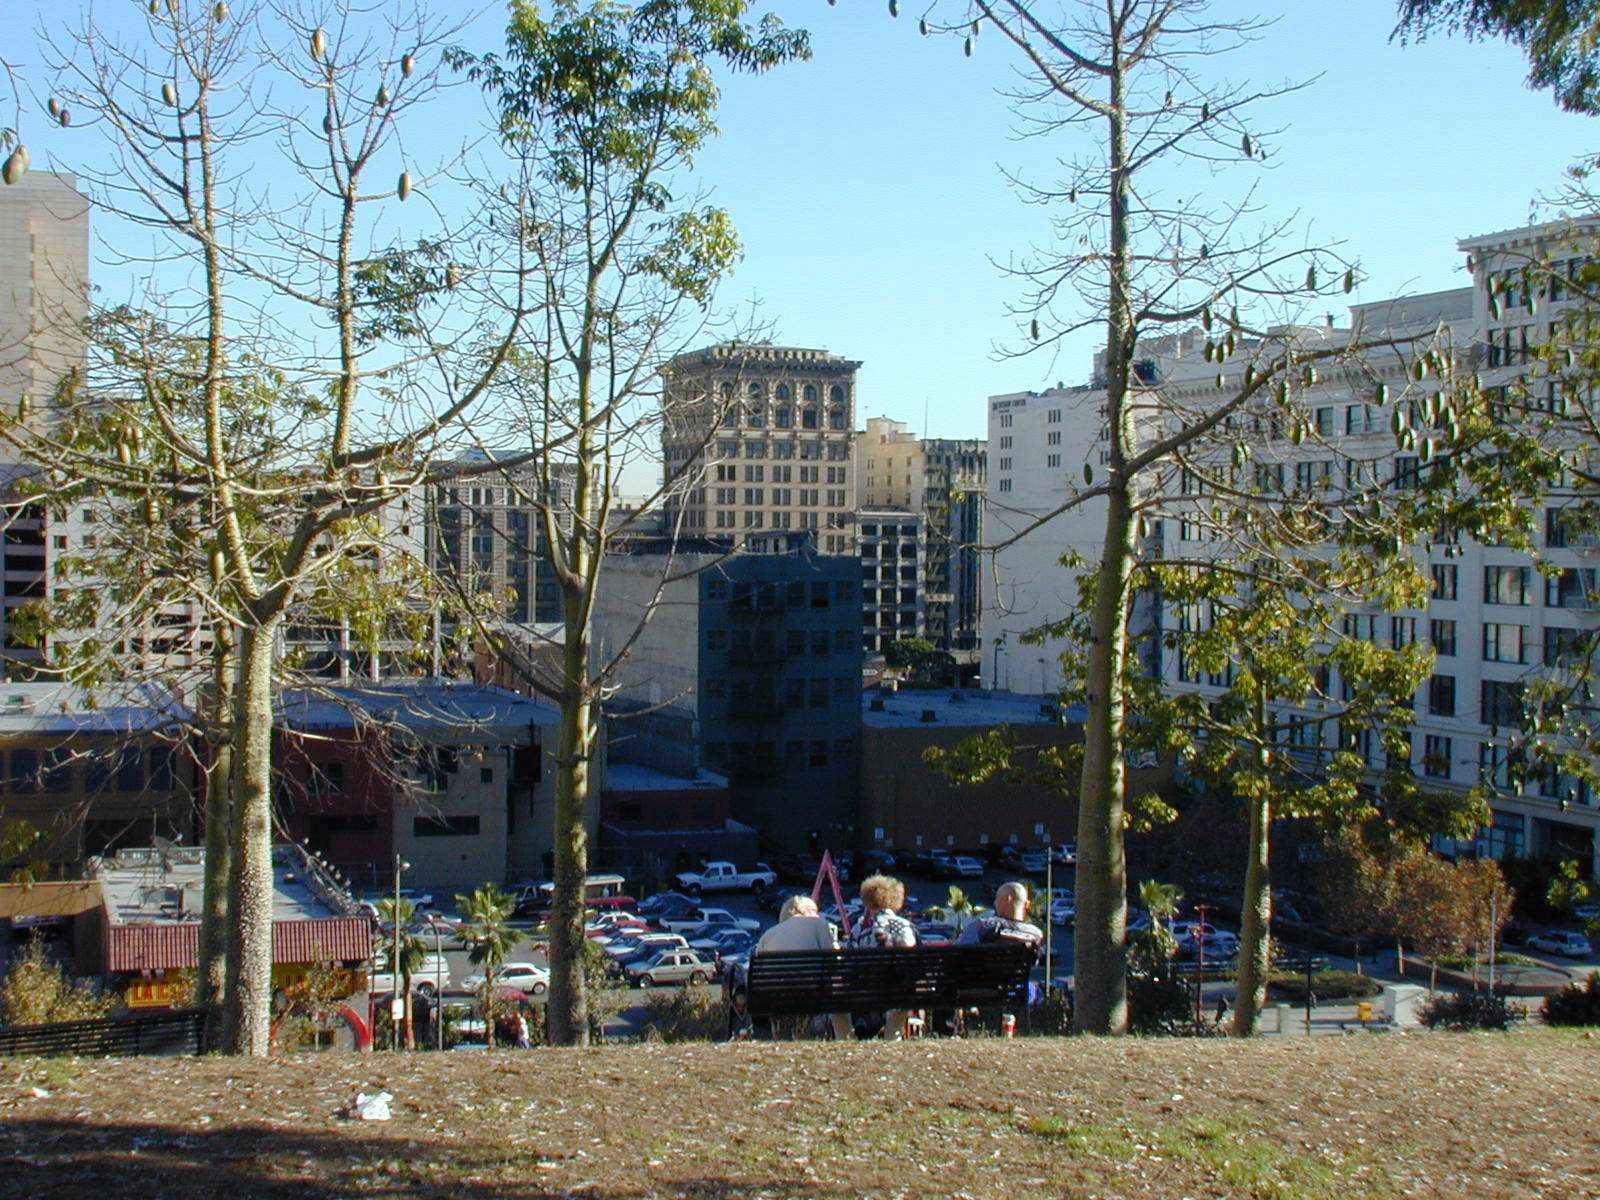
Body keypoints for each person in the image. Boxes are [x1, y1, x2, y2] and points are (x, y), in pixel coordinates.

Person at [755, 893, 852, 1040]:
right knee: (838, 1002)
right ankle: (845, 1041)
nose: (817, 915)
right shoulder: (819, 925)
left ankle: (780, 1039)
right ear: (804, 910)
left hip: (777, 1001)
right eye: (814, 910)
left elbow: (759, 973)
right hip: (812, 998)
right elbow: (835, 964)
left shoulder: (768, 935)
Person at [846, 874, 918, 1039]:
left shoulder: (858, 928)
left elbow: (849, 961)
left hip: (865, 990)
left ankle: (868, 1025)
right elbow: (915, 959)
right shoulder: (905, 925)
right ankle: (892, 1036)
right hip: (898, 989)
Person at [957, 882, 1044, 959]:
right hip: (1017, 976)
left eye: (997, 898)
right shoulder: (1036, 934)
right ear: (1026, 904)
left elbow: (958, 950)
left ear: (1007, 899)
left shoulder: (983, 926)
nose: (994, 903)